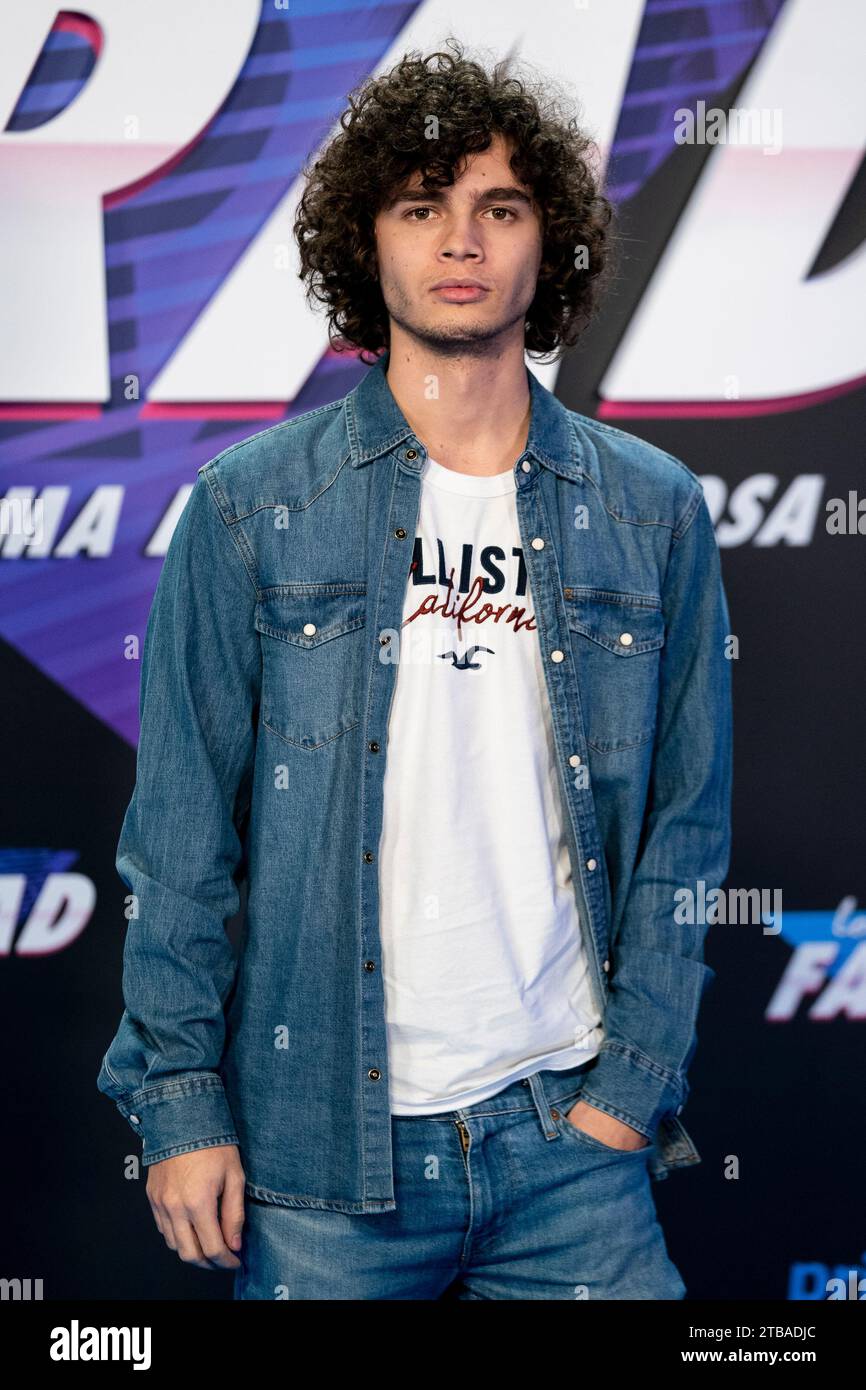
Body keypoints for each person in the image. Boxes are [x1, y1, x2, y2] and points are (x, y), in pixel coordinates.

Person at [97, 39, 732, 1300]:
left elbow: (686, 827)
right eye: (420, 206)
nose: (461, 241)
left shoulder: (651, 509)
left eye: (498, 207)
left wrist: (633, 1087)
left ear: (546, 245)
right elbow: (176, 840)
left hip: (570, 1147)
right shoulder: (248, 507)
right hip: (319, 1151)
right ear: (364, 242)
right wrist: (178, 1104)